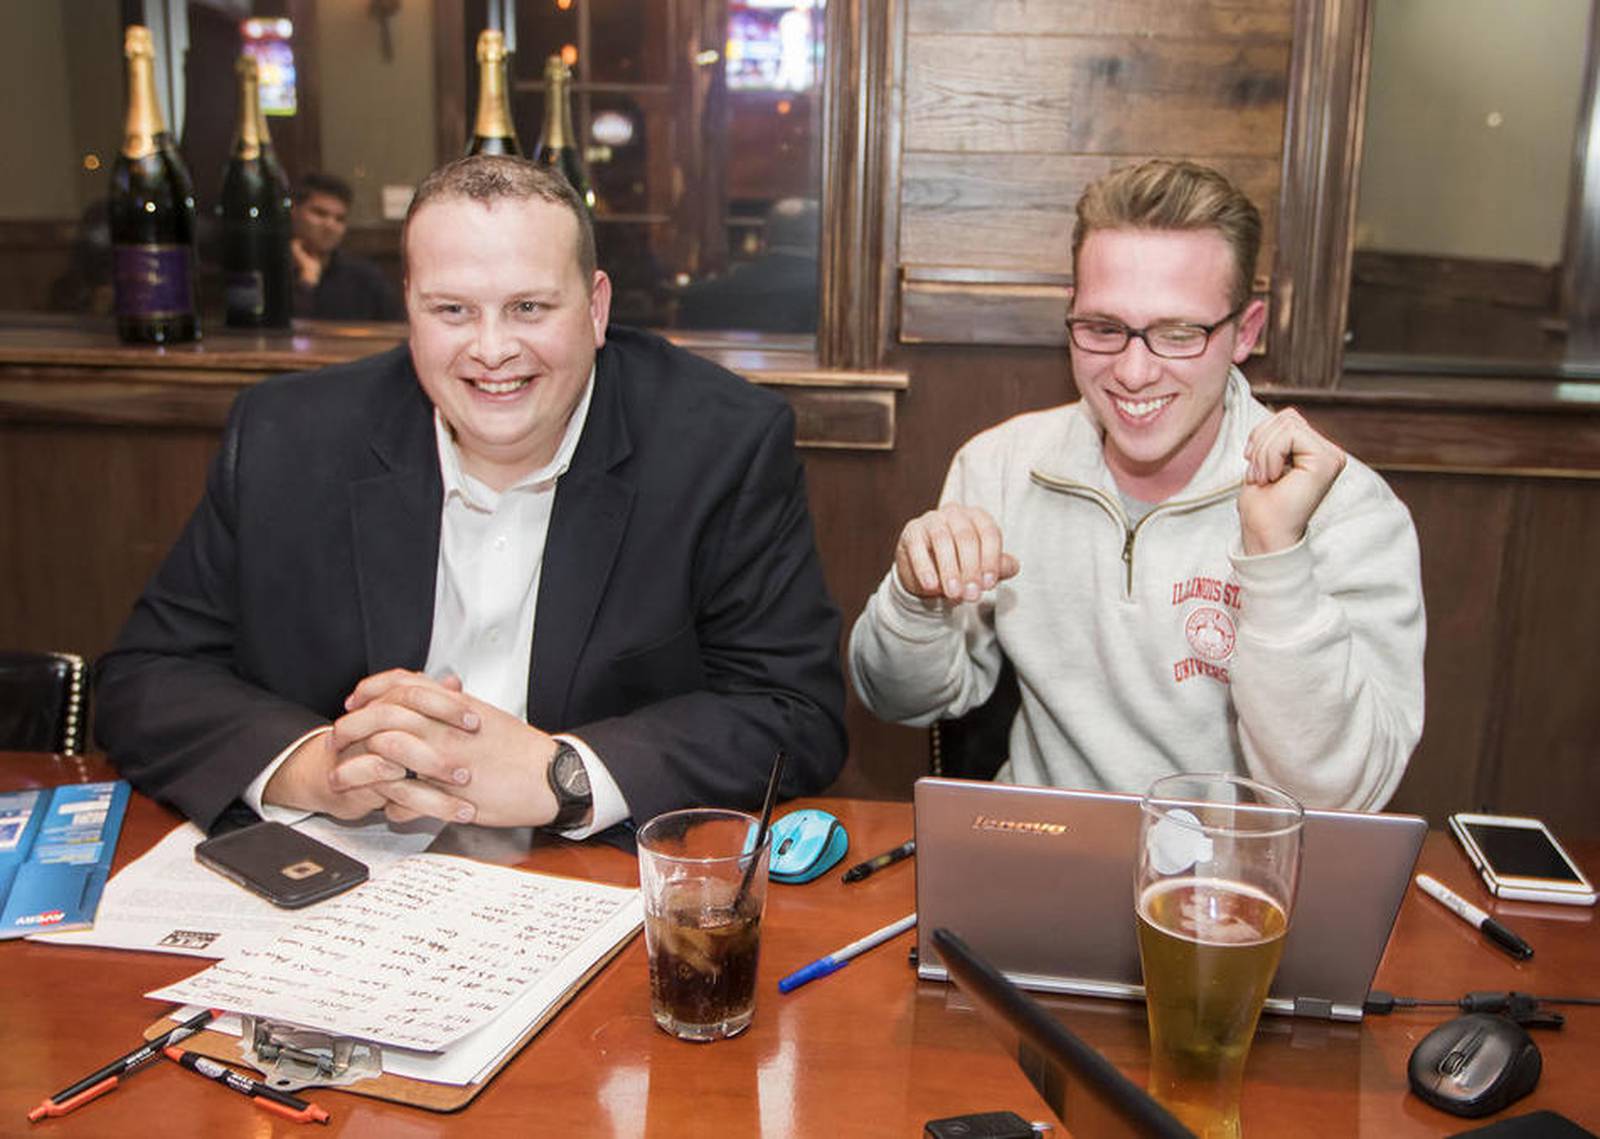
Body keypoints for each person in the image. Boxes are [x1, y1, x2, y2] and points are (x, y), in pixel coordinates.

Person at [95, 154, 847, 838]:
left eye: (529, 308)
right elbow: (144, 678)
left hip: (586, 875)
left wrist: (564, 774)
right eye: (452, 310)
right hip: (349, 874)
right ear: (410, 307)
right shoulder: (289, 437)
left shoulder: (720, 445)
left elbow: (795, 712)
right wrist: (316, 768)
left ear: (595, 308)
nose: (491, 350)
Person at [850, 159, 1424, 812]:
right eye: (1103, 328)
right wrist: (912, 597)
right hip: (1042, 857)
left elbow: (1343, 796)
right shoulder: (1001, 465)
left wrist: (1275, 559)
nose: (1133, 371)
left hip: (1237, 882)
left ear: (1248, 332)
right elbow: (897, 698)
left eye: (1179, 333)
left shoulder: (1349, 512)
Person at [290, 171, 404, 321]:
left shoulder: (365, 278)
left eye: (340, 219)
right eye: (319, 213)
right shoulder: (269, 271)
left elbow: (397, 329)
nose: (330, 225)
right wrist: (307, 282)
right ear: (294, 212)